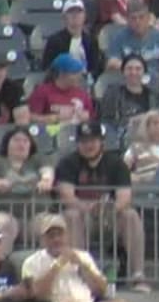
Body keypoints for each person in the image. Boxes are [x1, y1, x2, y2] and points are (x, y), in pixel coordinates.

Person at [54, 121, 148, 291]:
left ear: (101, 142)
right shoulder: (68, 163)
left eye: (92, 141)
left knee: (131, 215)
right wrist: (89, 208)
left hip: (110, 217)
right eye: (83, 141)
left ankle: (138, 276)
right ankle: (79, 273)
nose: (88, 145)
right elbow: (66, 196)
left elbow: (124, 197)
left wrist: (107, 210)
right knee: (71, 215)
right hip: (82, 218)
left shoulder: (116, 163)